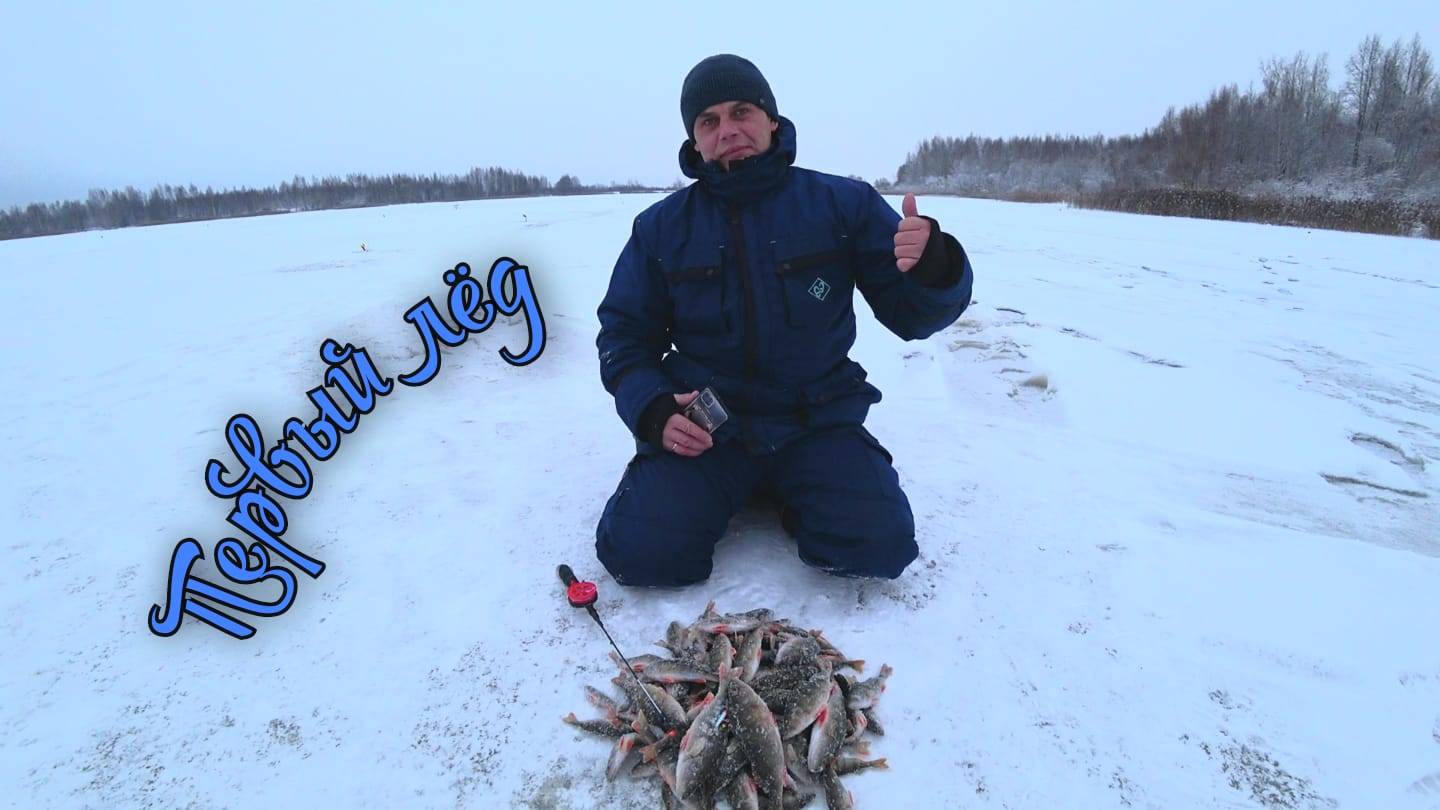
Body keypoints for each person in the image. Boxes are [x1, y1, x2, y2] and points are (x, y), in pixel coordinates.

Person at [594, 54, 974, 587]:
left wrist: (935, 267)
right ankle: (725, 486)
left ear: (771, 119)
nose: (727, 130)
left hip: (814, 419)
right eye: (709, 121)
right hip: (710, 424)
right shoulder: (661, 229)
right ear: (694, 141)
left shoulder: (843, 204)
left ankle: (799, 489)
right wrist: (653, 410)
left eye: (741, 111)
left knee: (878, 546)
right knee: (639, 553)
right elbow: (623, 338)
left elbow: (912, 316)